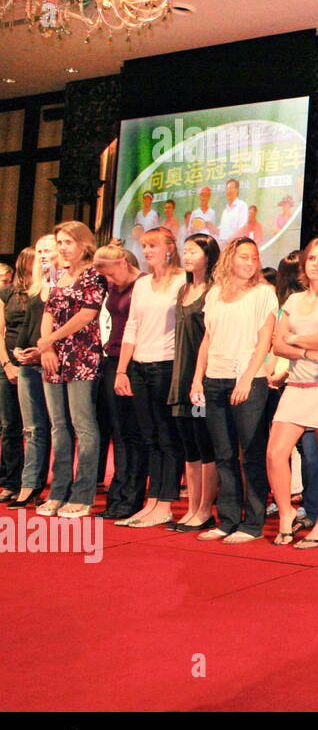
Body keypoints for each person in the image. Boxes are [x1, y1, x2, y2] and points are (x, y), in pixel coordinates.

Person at [190, 237, 279, 544]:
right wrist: (196, 379)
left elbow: (265, 339)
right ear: (230, 258)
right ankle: (227, 519)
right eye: (243, 256)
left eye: (254, 257)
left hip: (248, 382)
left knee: (251, 454)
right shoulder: (214, 294)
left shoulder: (264, 293)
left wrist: (246, 378)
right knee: (224, 454)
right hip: (214, 379)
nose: (249, 262)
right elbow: (207, 339)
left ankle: (253, 522)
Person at [267, 238, 318, 548]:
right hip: (296, 386)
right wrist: (302, 351)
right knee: (275, 453)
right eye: (311, 258)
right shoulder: (292, 300)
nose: (315, 263)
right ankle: (287, 515)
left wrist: (295, 338)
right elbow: (277, 344)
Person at [114, 227, 188, 528]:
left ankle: (166, 502)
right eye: (143, 246)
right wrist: (122, 369)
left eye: (153, 245)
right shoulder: (143, 284)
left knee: (168, 436)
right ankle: (152, 501)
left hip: (167, 365)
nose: (146, 251)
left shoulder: (183, 280)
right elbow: (131, 326)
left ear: (170, 248)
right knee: (150, 437)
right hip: (140, 366)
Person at [35, 221, 107, 519]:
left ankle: (83, 495)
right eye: (59, 242)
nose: (62, 247)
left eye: (67, 242)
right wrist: (46, 347)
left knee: (84, 426)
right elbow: (48, 310)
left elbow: (87, 314)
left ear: (83, 243)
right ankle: (58, 491)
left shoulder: (95, 274)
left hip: (83, 356)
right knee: (58, 426)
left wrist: (50, 340)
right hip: (53, 357)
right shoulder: (57, 273)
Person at [167, 234, 220, 531]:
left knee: (204, 443)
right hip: (180, 377)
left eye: (193, 251)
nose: (186, 256)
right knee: (189, 446)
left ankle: (204, 509)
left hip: (201, 379)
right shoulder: (184, 289)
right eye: (184, 251)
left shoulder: (214, 291)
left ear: (208, 255)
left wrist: (199, 378)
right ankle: (191, 508)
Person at [94, 242, 148, 522]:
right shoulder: (112, 285)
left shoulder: (143, 284)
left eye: (111, 274)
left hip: (135, 363)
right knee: (119, 432)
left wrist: (124, 369)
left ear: (125, 264)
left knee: (134, 432)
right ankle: (117, 496)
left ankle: (133, 497)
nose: (109, 280)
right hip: (112, 358)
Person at [5, 238, 54, 509]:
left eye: (49, 250)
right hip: (27, 363)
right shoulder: (37, 287)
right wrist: (19, 352)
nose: (44, 256)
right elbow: (27, 324)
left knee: (58, 428)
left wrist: (40, 350)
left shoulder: (64, 285)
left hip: (50, 360)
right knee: (31, 428)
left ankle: (55, 487)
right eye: (41, 252)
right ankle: (28, 485)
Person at [0, 249, 37, 504]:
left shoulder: (46, 291)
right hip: (8, 364)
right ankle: (10, 481)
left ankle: (31, 482)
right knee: (9, 425)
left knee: (35, 428)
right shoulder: (7, 293)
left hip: (36, 363)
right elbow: (0, 332)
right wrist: (7, 364)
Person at [217, 178, 250, 246]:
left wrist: (227, 241)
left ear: (237, 190)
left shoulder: (242, 205)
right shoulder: (225, 210)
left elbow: (242, 228)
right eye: (227, 189)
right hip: (223, 245)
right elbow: (222, 229)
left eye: (231, 188)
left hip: (235, 245)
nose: (229, 191)